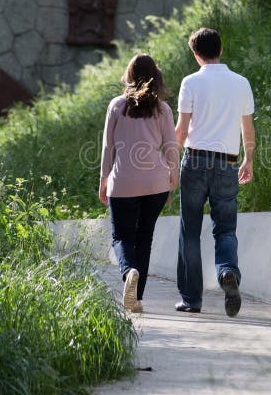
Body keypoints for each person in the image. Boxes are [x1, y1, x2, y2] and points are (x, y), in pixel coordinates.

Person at [174, 28, 255, 317]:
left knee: (190, 231)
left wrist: (170, 163)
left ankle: (191, 300)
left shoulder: (191, 82)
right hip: (228, 163)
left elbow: (181, 131)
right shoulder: (241, 83)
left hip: (194, 161)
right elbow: (248, 129)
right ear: (221, 49)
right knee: (225, 229)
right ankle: (227, 273)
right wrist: (248, 160)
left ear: (196, 55)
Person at [100, 54, 179, 313]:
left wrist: (103, 179)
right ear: (156, 76)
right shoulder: (163, 109)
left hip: (122, 182)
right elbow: (171, 147)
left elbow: (107, 147)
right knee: (144, 238)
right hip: (155, 183)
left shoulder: (117, 106)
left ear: (130, 75)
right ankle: (137, 298)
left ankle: (129, 271)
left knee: (121, 236)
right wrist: (172, 179)